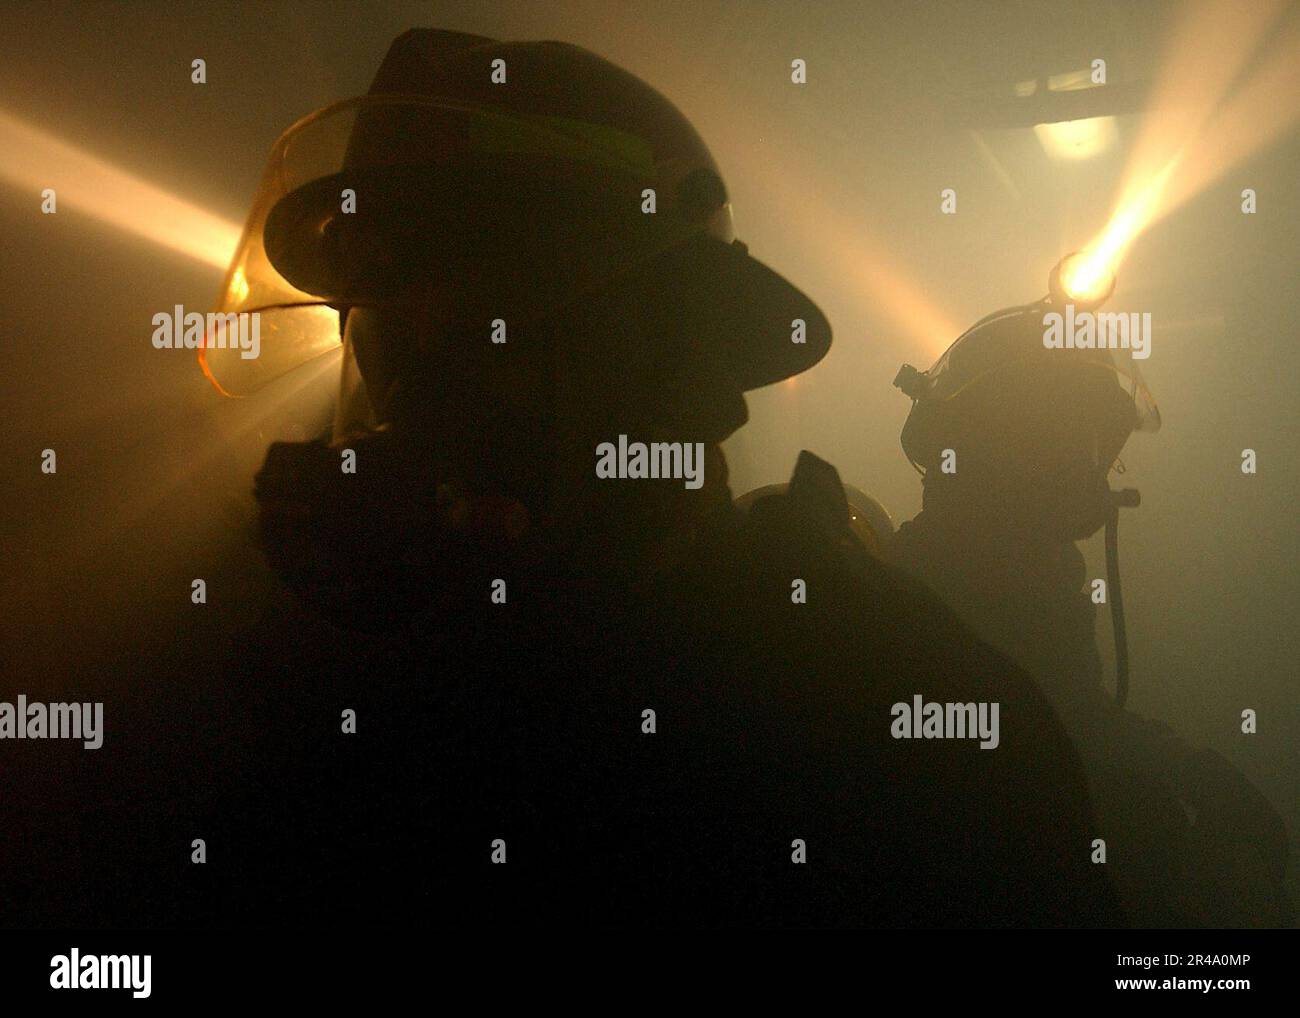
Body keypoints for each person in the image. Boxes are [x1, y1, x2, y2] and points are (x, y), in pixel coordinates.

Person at [192, 29, 1121, 927]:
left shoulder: (889, 717)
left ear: (680, 359)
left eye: (484, 324)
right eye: (390, 331)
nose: (417, 398)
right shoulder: (333, 687)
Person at [886, 280, 1290, 926]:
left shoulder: (1033, 586)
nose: (1090, 471)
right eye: (1062, 436)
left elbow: (1077, 714)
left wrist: (1176, 760)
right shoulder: (914, 612)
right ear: (981, 449)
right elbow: (1036, 756)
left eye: (1094, 446)